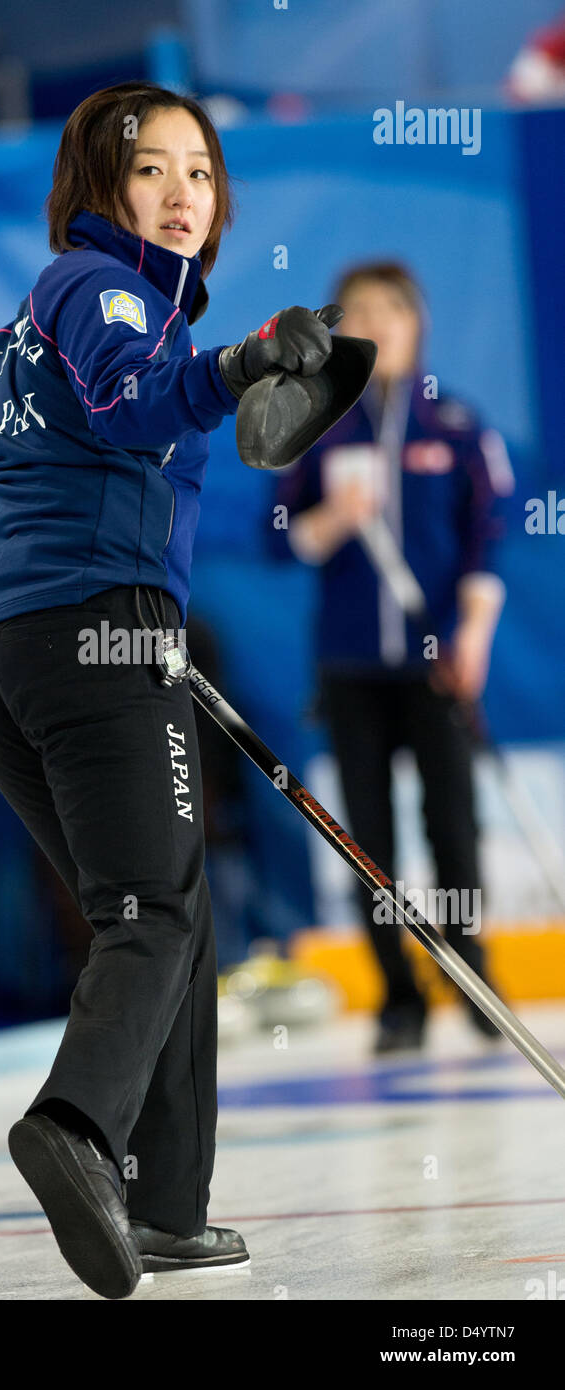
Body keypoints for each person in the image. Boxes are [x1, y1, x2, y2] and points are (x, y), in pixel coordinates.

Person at [0, 80, 339, 1299]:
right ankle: (74, 1128)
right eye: (152, 170)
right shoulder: (98, 288)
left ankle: (168, 1204)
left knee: (165, 912)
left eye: (201, 172)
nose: (181, 194)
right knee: (155, 916)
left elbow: (55, 469)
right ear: (101, 188)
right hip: (92, 635)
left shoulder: (34, 318)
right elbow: (128, 405)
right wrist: (239, 363)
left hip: (13, 645)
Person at [269, 262, 513, 1056]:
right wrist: (335, 518)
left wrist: (472, 636)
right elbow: (278, 539)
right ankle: (397, 996)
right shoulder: (318, 424)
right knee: (364, 839)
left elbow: (490, 540)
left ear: (417, 324)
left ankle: (472, 979)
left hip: (434, 666)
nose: (376, 323)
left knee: (454, 831)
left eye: (392, 310)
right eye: (361, 311)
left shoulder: (458, 426)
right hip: (349, 671)